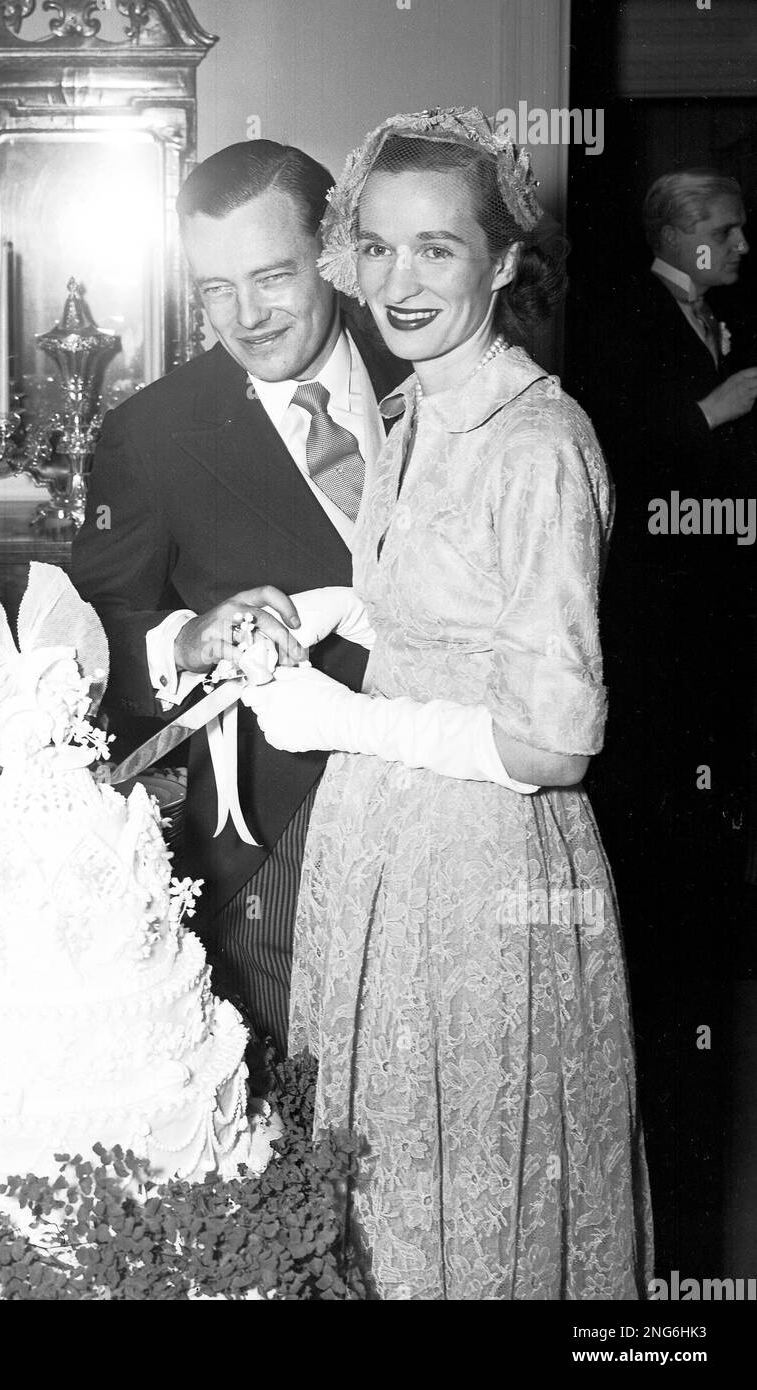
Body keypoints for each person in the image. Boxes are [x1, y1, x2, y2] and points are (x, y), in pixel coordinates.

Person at [243, 109, 652, 1299]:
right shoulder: (417, 406)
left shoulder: (538, 442)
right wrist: (333, 613)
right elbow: (444, 623)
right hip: (379, 844)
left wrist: (344, 719)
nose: (396, 280)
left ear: (504, 260)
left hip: (482, 871)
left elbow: (554, 737)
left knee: (468, 1200)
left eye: (435, 249)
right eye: (374, 248)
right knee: (379, 1177)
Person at [70, 141, 402, 1054]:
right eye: (216, 288)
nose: (246, 317)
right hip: (280, 835)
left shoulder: (434, 367)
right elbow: (87, 634)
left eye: (272, 276)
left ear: (333, 253)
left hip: (458, 793)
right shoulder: (152, 434)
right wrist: (182, 639)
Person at [572, 170, 755, 1273]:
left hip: (708, 616)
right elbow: (614, 464)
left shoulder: (714, 315)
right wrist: (712, 408)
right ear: (679, 236)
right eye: (724, 228)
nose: (739, 241)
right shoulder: (618, 320)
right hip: (648, 629)